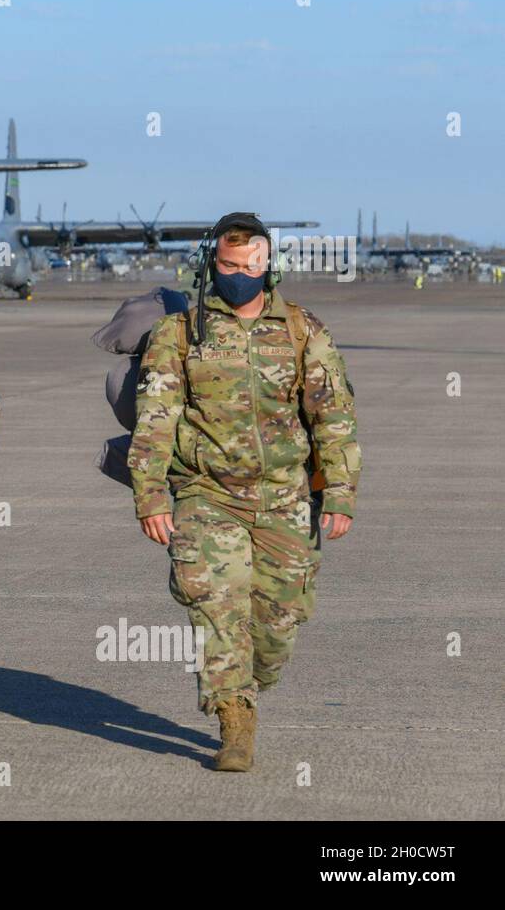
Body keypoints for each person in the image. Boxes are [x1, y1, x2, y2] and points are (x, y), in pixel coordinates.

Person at [129, 212, 361, 772]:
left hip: (285, 495)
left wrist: (341, 491)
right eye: (229, 266)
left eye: (249, 265)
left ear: (267, 263)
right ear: (215, 263)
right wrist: (151, 495)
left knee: (279, 621)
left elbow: (333, 415)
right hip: (207, 494)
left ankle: (251, 683)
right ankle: (234, 719)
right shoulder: (181, 333)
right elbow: (156, 418)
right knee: (217, 608)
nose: (239, 275)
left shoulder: (303, 329)